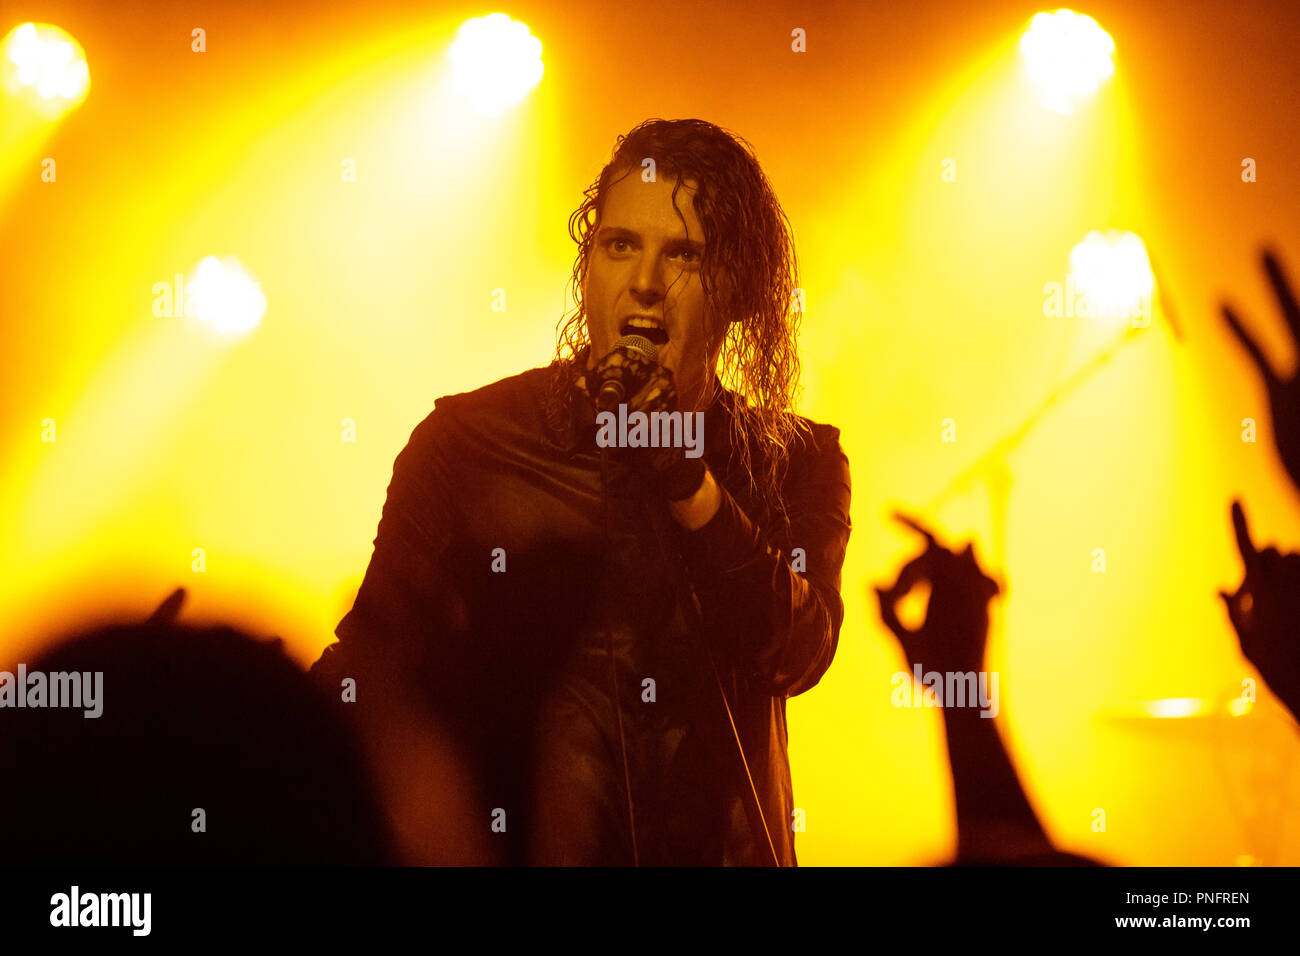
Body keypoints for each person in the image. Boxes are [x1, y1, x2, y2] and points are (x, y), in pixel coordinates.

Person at [310, 118, 852, 865]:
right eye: (619, 244)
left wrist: (689, 484)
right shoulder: (471, 441)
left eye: (683, 255)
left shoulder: (792, 459)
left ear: (740, 292)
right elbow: (371, 667)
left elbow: (798, 651)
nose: (644, 284)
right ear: (588, 262)